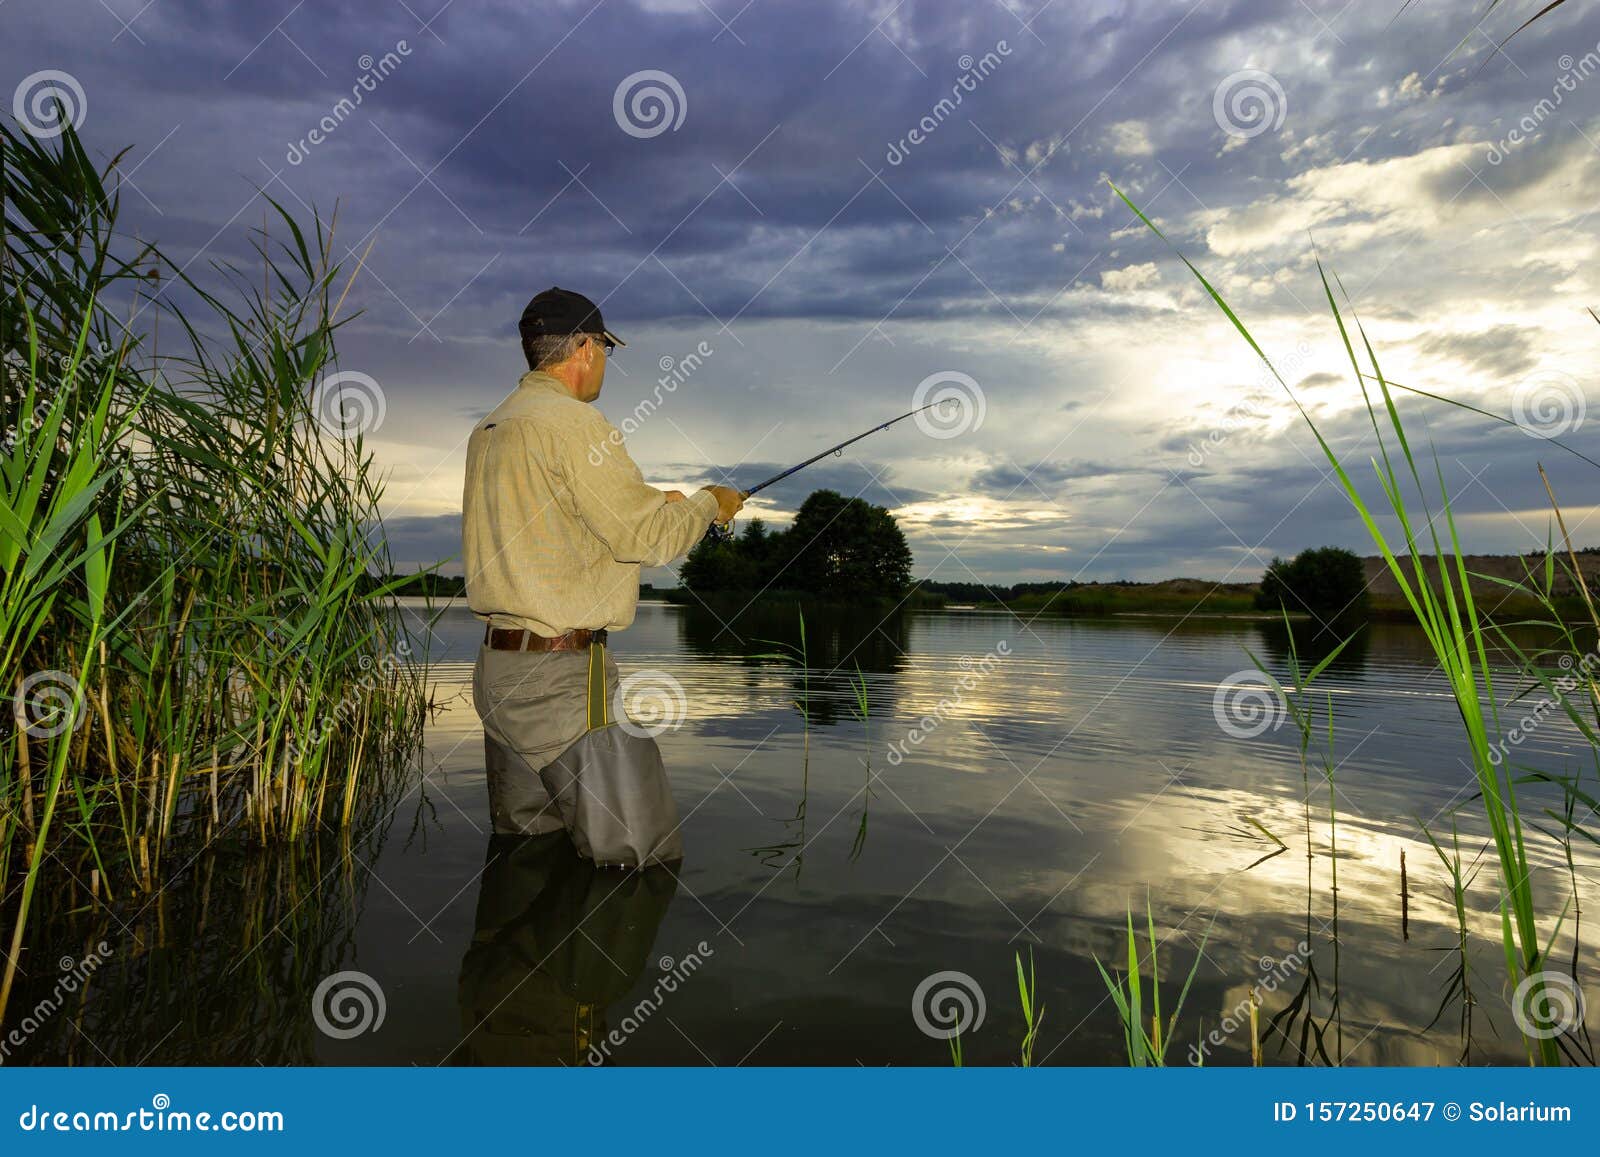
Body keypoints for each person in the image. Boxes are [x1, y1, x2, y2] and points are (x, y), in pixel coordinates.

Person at [462, 286, 744, 856]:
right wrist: (711, 502)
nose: (605, 364)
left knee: (528, 858)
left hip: (498, 677)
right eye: (606, 349)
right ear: (586, 346)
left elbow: (555, 521)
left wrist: (646, 500)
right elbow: (650, 540)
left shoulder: (491, 428)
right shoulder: (576, 425)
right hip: (563, 685)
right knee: (641, 859)